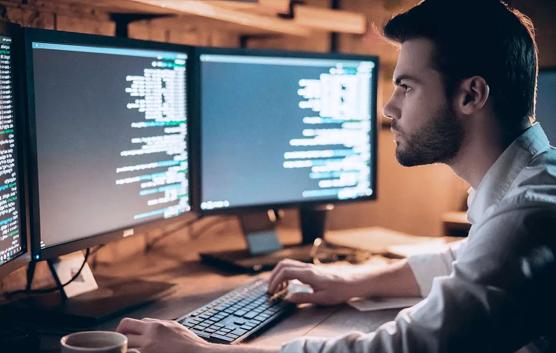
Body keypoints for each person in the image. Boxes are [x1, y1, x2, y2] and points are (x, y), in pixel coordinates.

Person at [116, 0, 556, 352]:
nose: (389, 107)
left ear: (471, 95)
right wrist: (349, 280)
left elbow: (406, 347)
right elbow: (469, 261)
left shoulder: (526, 216)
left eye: (406, 86)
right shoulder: (524, 190)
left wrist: (201, 352)